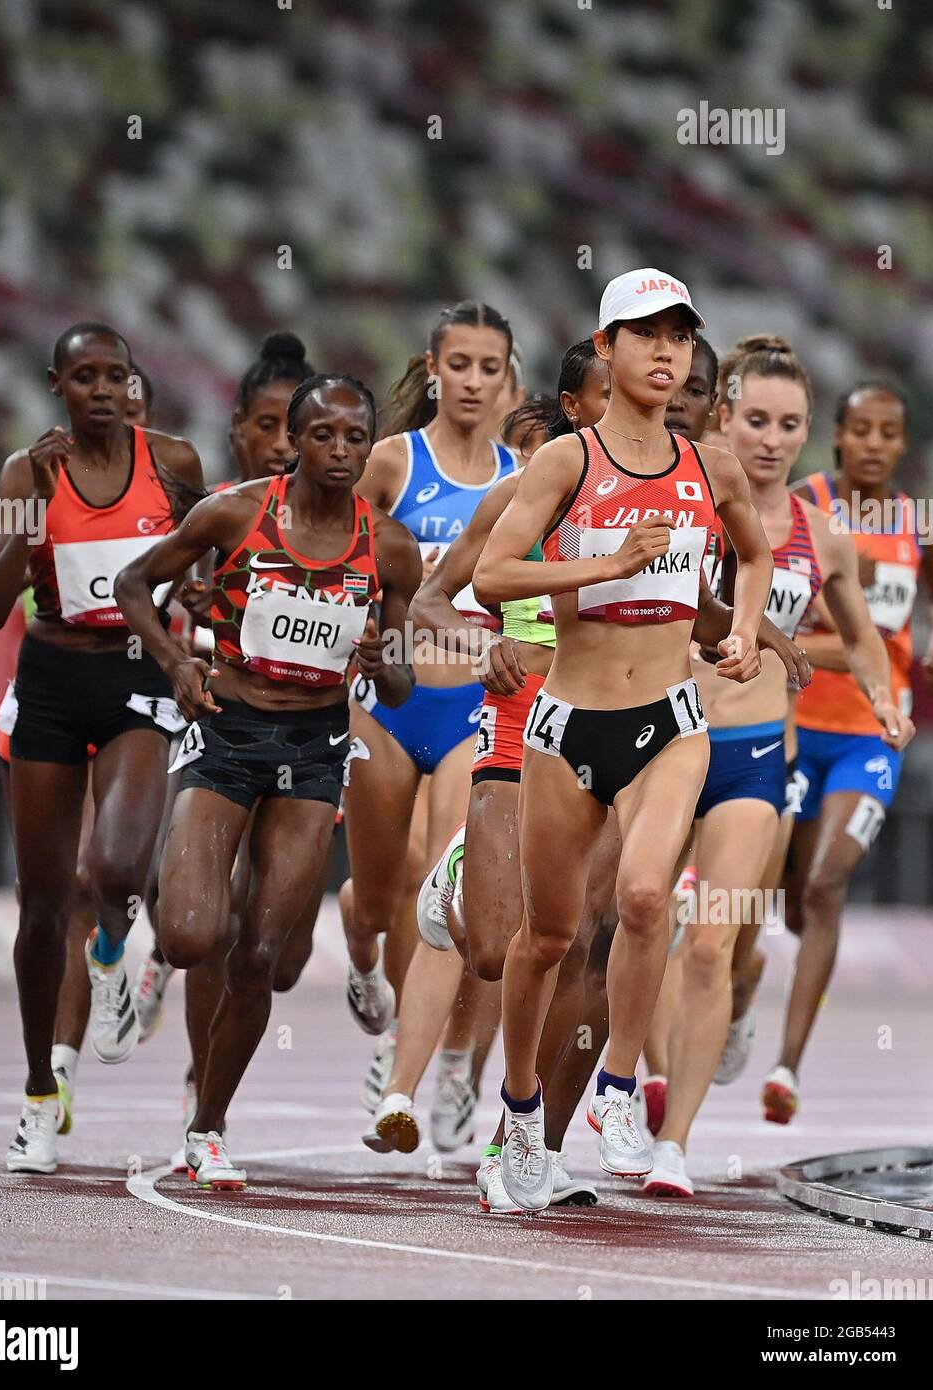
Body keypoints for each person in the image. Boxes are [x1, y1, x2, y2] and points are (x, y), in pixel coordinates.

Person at [473, 268, 774, 1211]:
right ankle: (520, 1114)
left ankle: (614, 1087)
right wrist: (610, 561)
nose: (664, 352)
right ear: (604, 350)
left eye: (679, 337)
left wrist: (738, 630)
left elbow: (755, 554)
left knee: (646, 897)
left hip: (669, 721)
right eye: (643, 335)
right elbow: (490, 576)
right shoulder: (566, 461)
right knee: (548, 937)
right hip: (567, 724)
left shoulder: (710, 466)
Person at [115, 374, 420, 1189]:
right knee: (189, 936)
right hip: (226, 731)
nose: (341, 451)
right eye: (323, 435)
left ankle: (207, 1126)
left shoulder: (389, 547)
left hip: (316, 749)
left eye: (356, 438)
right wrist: (179, 660)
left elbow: (398, 687)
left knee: (263, 954)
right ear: (294, 437)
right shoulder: (234, 513)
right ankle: (157, 943)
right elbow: (132, 584)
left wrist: (380, 660)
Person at [647, 336, 913, 1196]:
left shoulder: (822, 537)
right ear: (722, 414)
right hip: (665, 735)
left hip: (762, 754)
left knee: (719, 944)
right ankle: (635, 1080)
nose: (769, 439)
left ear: (806, 435)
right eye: (754, 419)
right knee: (642, 918)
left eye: (788, 425)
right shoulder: (686, 501)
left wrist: (884, 699)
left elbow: (868, 642)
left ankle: (676, 1136)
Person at [0, 324, 203, 1174]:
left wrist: (201, 627)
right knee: (40, 906)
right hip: (52, 681)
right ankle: (38, 1093)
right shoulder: (22, 473)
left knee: (111, 870)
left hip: (139, 675)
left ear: (135, 383)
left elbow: (204, 572)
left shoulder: (173, 461)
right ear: (56, 386)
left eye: (117, 375)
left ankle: (110, 952)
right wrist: (30, 504)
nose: (103, 390)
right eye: (84, 377)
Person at [343, 301, 517, 1149]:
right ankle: (368, 967)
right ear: (434, 369)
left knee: (447, 891)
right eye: (461, 365)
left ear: (507, 376)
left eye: (489, 367)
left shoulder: (524, 473)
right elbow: (331, 544)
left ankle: (443, 1061)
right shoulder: (389, 463)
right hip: (387, 701)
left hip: (472, 710)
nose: (474, 382)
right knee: (380, 890)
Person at [764, 379, 933, 1122]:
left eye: (886, 432)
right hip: (788, 727)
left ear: (900, 444)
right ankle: (736, 1004)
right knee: (786, 898)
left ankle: (786, 1068)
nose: (872, 443)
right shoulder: (800, 505)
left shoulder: (916, 522)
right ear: (836, 434)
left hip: (872, 733)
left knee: (824, 887)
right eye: (859, 429)